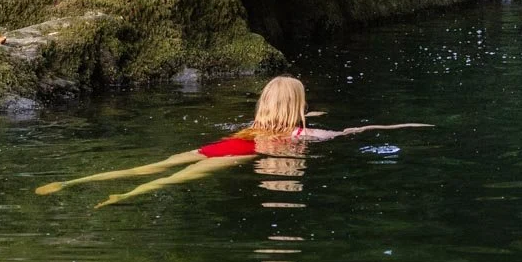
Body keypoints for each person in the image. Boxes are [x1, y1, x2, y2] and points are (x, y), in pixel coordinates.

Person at [35, 75, 430, 208]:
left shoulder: (254, 123)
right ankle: (123, 198)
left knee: (152, 167)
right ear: (300, 105)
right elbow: (342, 135)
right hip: (248, 154)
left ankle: (73, 184)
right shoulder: (302, 133)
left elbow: (285, 119)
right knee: (171, 181)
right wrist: (391, 127)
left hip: (226, 142)